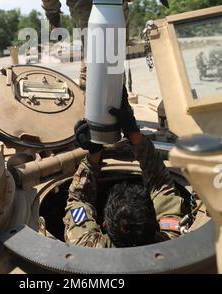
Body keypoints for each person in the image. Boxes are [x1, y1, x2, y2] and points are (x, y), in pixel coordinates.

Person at [63, 98, 185, 248]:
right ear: (155, 222)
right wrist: (134, 133)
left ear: (105, 224)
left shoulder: (86, 245)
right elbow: (161, 185)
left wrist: (94, 151)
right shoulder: (171, 243)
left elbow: (77, 200)